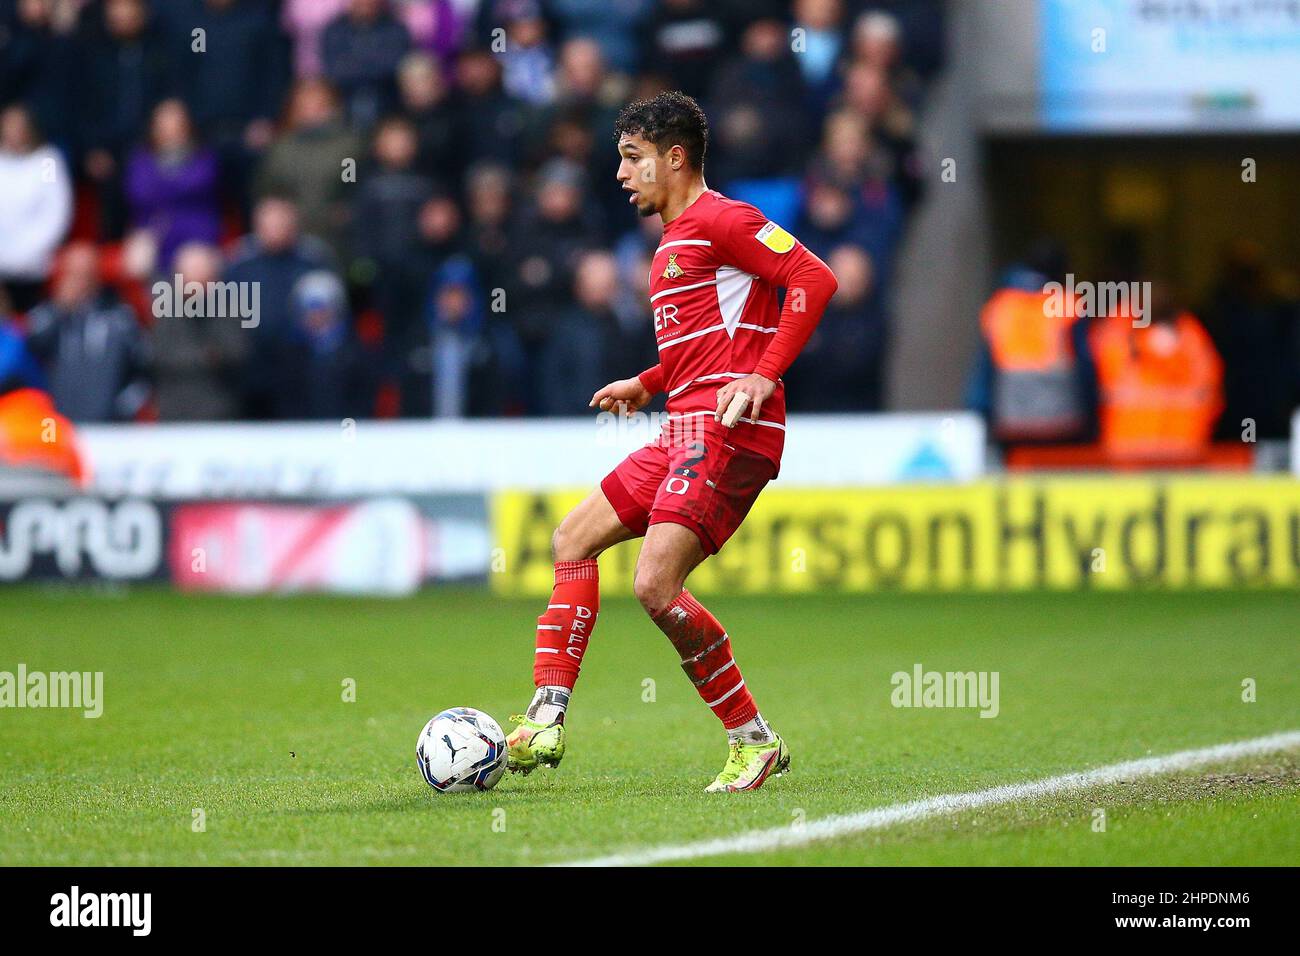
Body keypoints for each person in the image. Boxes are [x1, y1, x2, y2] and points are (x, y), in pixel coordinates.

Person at [504, 92, 837, 792]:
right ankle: (546, 715)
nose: (621, 174)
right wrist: (649, 380)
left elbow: (814, 277)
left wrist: (764, 375)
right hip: (682, 425)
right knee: (572, 538)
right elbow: (707, 349)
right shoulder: (670, 242)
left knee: (655, 584)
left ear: (674, 156)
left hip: (729, 430)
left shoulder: (724, 219)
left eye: (632, 158)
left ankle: (752, 740)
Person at [24, 243, 152, 423]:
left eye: (85, 274)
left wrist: (121, 409)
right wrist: (59, 309)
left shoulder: (120, 318)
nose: (78, 282)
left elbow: (143, 369)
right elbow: (28, 352)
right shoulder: (45, 315)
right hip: (56, 425)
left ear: (97, 276)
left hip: (108, 427)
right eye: (72, 274)